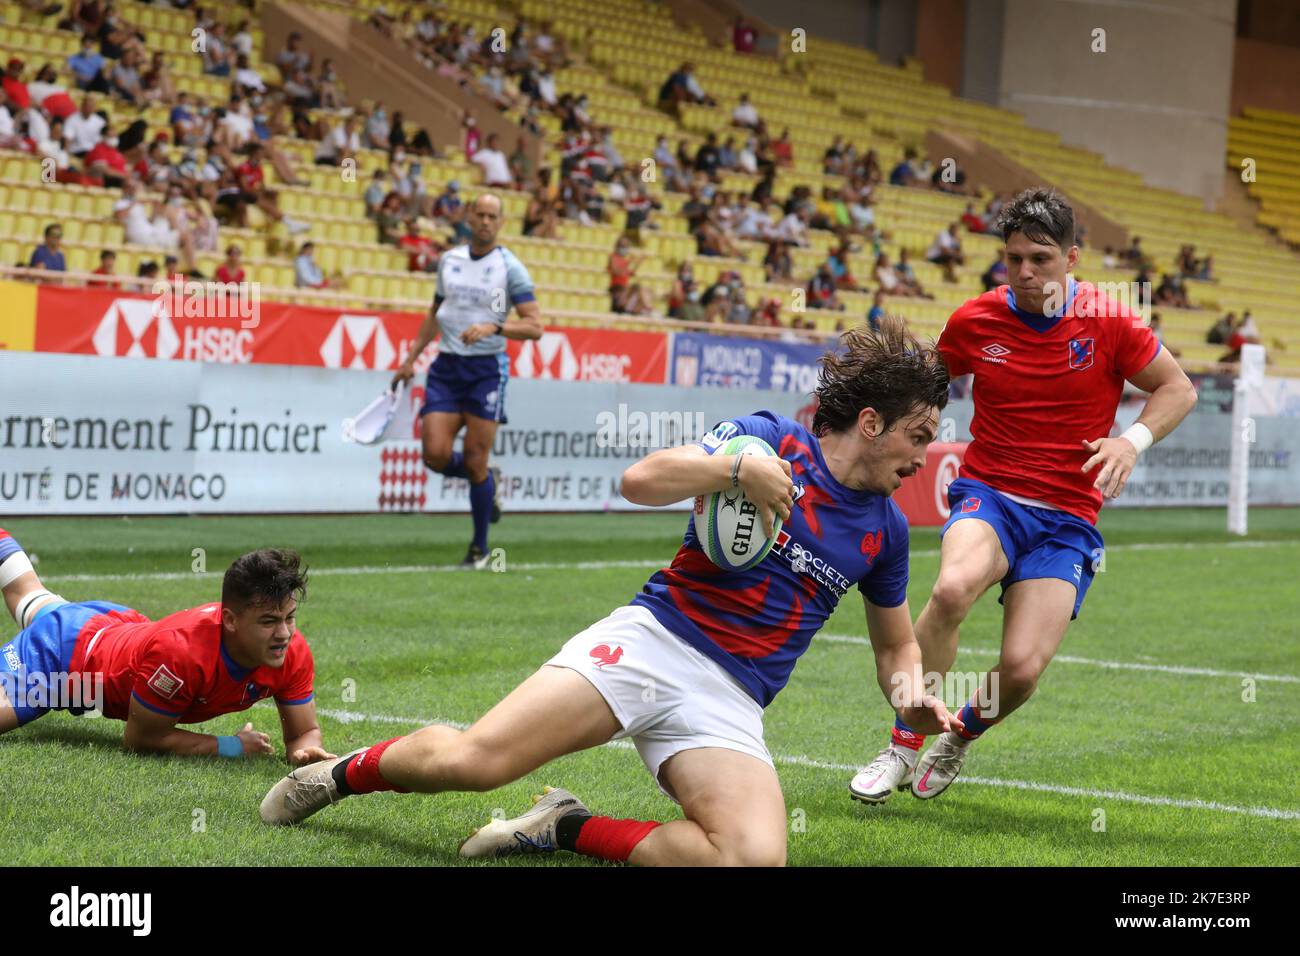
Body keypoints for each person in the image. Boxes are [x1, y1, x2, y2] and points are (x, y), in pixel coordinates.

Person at [259, 322, 964, 867]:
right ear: (870, 422)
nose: (923, 456)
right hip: (653, 644)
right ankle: (338, 775)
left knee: (749, 857)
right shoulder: (770, 440)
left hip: (732, 697)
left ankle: (562, 826)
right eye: (918, 435)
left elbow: (897, 642)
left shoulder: (887, 531)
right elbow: (641, 480)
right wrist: (735, 464)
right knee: (474, 763)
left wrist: (908, 695)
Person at [848, 188, 1198, 804]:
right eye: (1014, 259)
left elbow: (1177, 389)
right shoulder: (976, 319)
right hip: (991, 493)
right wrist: (883, 438)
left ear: (1072, 257)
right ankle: (903, 742)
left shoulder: (1111, 319)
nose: (1026, 272)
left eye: (1040, 257)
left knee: (1021, 669)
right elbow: (926, 386)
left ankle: (958, 736)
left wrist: (1131, 441)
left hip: (1067, 518)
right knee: (952, 588)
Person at [0, 534, 332, 766]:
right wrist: (230, 746)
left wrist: (306, 752)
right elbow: (140, 739)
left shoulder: (291, 651)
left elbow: (304, 734)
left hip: (111, 625)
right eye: (269, 621)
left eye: (290, 618)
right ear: (229, 620)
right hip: (65, 664)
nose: (284, 633)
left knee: (26, 592)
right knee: (28, 601)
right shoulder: (182, 654)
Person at [389, 194, 543, 568]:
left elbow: (535, 326)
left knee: (474, 458)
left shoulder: (511, 267)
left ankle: (479, 548)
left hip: (486, 370)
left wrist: (496, 326)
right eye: (481, 214)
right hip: (446, 367)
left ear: (501, 222)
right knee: (435, 455)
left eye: (494, 215)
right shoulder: (450, 261)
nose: (486, 221)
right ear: (469, 217)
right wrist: (410, 359)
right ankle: (485, 481)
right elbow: (434, 313)